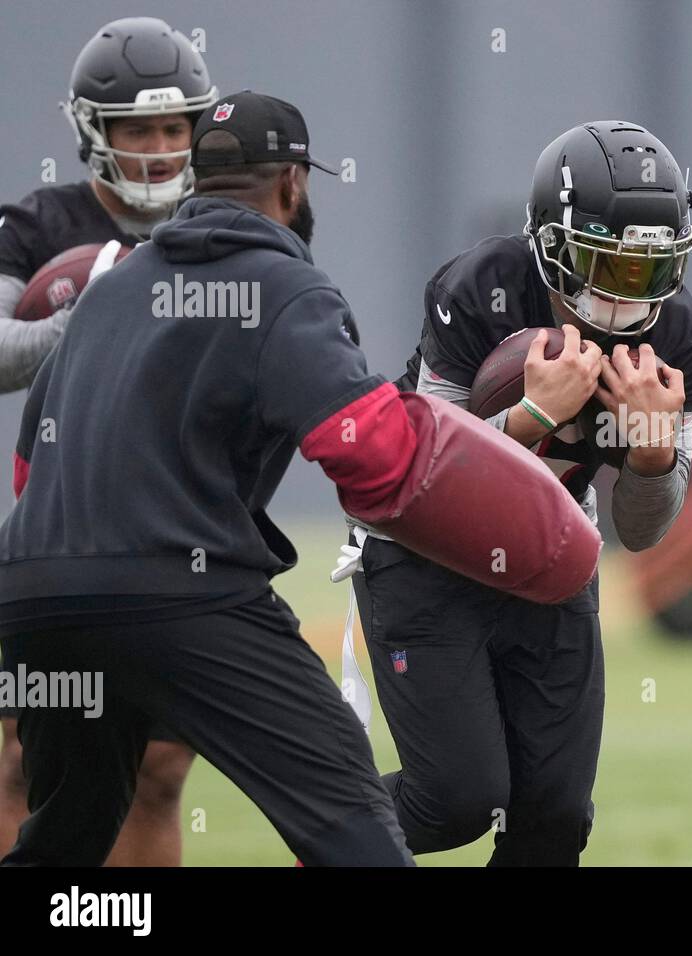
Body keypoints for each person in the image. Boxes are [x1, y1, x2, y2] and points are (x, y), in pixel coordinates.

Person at [0, 91, 599, 867]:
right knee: (356, 830)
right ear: (292, 185)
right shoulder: (286, 289)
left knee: (65, 845)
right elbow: (373, 455)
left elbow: (27, 465)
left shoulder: (106, 290)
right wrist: (532, 501)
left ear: (192, 180)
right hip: (184, 591)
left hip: (35, 591)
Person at [345, 120, 692, 865]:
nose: (620, 292)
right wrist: (528, 418)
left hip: (548, 554)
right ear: (550, 243)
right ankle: (322, 838)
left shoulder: (681, 337)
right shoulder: (480, 291)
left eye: (644, 270)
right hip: (425, 560)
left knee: (554, 818)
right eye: (600, 262)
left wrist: (650, 459)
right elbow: (420, 479)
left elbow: (642, 534)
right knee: (455, 800)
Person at [0, 16, 218, 865]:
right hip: (60, 526)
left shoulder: (222, 222)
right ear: (95, 130)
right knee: (24, 758)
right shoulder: (41, 219)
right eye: (139, 127)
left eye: (175, 126)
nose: (161, 147)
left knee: (159, 769)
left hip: (183, 528)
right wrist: (88, 321)